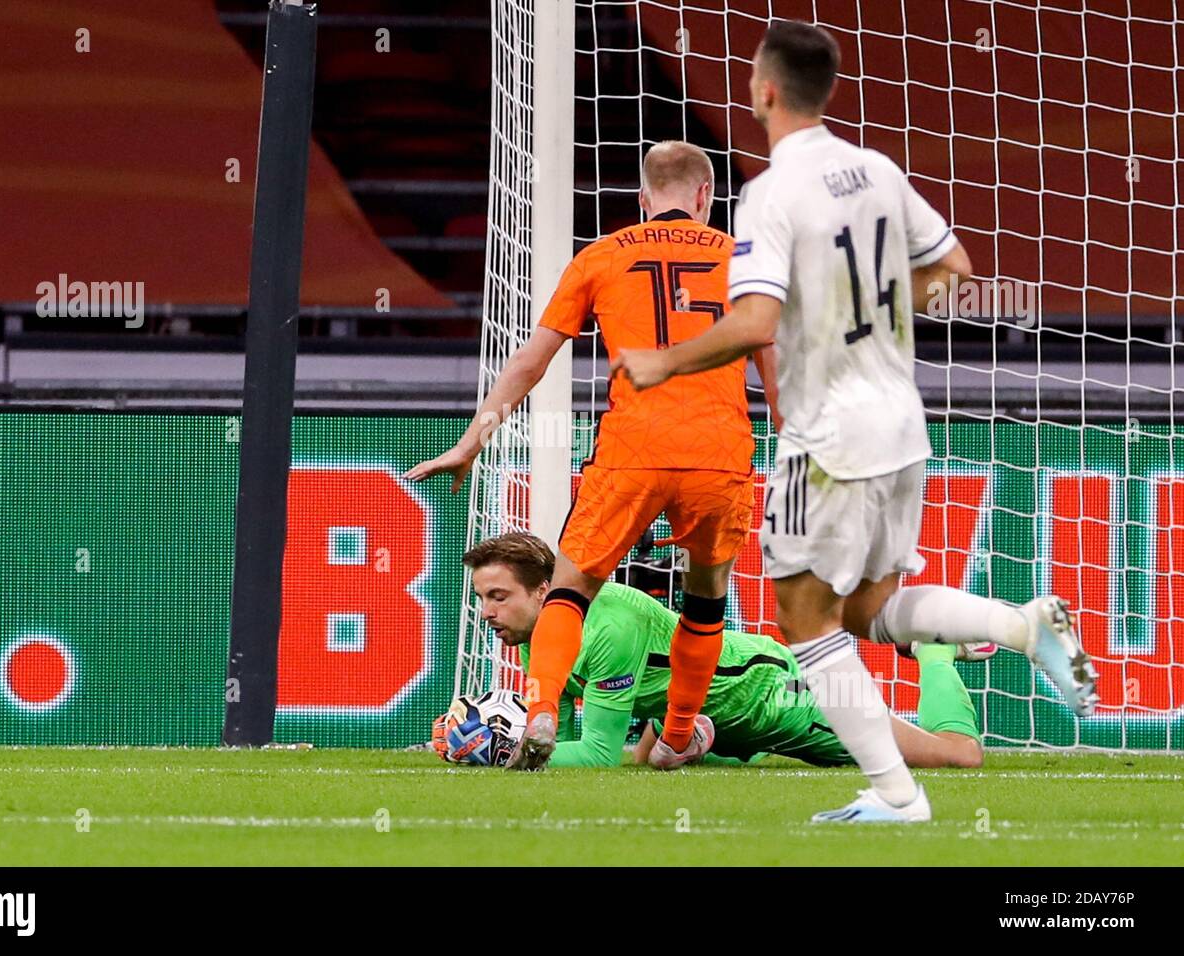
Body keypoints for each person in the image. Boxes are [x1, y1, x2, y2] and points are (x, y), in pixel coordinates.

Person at [612, 21, 1096, 821]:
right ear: (826, 91)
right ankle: (1022, 623)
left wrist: (663, 361)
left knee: (803, 621)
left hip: (829, 436)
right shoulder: (874, 169)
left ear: (763, 91)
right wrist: (873, 310)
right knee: (867, 611)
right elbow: (956, 271)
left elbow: (755, 322)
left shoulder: (769, 194)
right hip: (902, 423)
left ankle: (899, 794)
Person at [410, 142, 779, 771]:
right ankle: (678, 736)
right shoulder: (749, 261)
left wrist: (476, 437)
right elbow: (779, 376)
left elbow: (532, 359)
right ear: (706, 198)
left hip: (632, 448)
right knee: (707, 596)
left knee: (570, 589)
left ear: (641, 198)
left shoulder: (602, 256)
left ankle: (545, 708)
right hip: (718, 451)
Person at [452, 532, 985, 770]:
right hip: (695, 709)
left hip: (773, 695)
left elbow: (592, 755)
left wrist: (505, 754)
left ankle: (934, 652)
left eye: (498, 597)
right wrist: (524, 748)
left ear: (545, 591)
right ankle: (699, 739)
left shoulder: (609, 626)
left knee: (956, 756)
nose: (488, 613)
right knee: (650, 762)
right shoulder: (536, 636)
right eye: (483, 599)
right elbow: (568, 747)